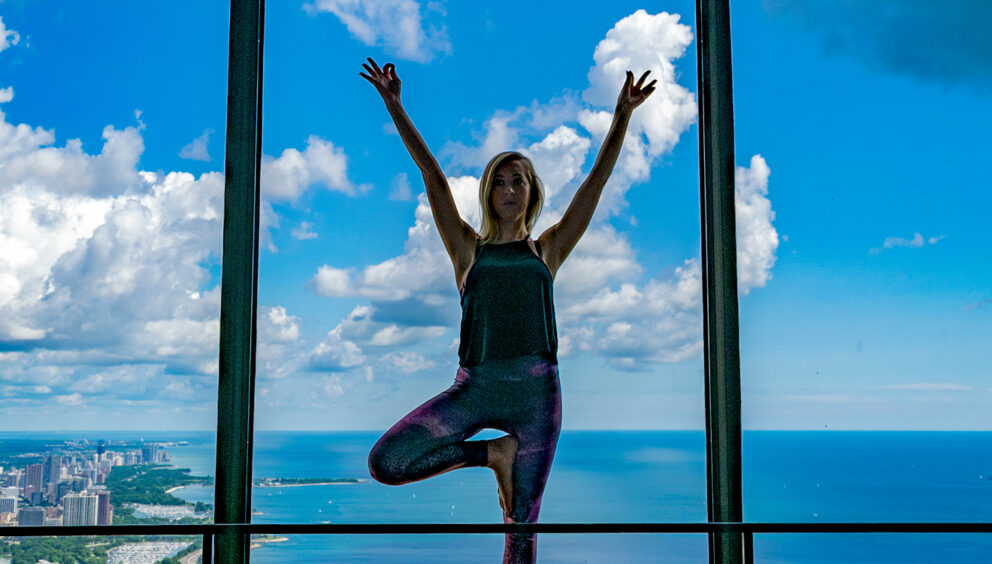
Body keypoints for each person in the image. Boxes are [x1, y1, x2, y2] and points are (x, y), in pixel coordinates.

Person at [361, 57, 655, 563]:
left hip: (538, 396)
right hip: (474, 387)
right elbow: (432, 177)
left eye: (518, 181)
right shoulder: (466, 249)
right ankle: (493, 455)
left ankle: (504, 462)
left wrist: (622, 117)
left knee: (521, 532)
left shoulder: (549, 249)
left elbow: (595, 185)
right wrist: (395, 106)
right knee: (386, 462)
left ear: (531, 192)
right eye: (500, 181)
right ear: (488, 192)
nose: (509, 189)